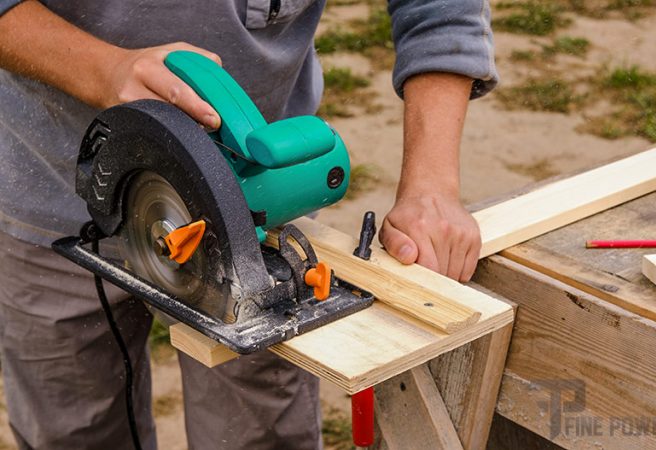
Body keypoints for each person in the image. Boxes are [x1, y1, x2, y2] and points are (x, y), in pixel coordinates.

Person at [0, 0, 498, 448]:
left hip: (260, 233)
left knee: (257, 435)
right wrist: (102, 69)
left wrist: (431, 184)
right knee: (71, 432)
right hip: (44, 179)